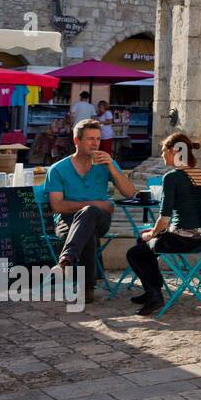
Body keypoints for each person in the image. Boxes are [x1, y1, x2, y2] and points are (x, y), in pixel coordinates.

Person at [47, 119, 136, 301]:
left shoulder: (104, 163)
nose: (95, 143)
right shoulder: (58, 169)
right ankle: (87, 286)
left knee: (90, 215)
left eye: (98, 139)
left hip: (100, 218)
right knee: (88, 227)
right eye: (90, 139)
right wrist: (95, 204)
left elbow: (129, 192)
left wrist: (111, 165)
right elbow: (57, 206)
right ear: (76, 141)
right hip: (67, 220)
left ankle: (66, 260)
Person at [125, 133, 201, 316]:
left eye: (163, 150)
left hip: (183, 239)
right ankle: (152, 291)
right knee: (144, 245)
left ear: (174, 151)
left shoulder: (172, 177)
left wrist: (153, 233)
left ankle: (155, 294)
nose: (162, 155)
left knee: (134, 253)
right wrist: (154, 234)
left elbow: (164, 219)